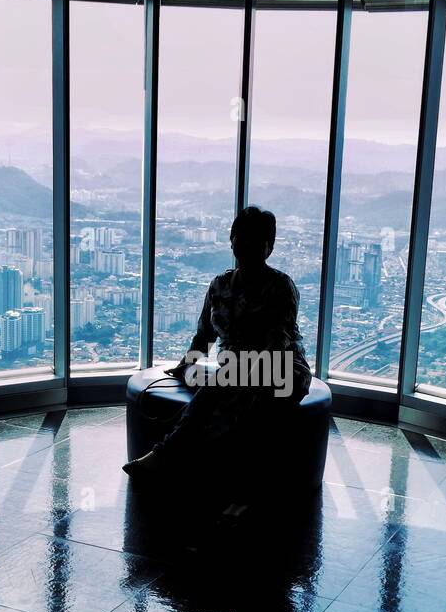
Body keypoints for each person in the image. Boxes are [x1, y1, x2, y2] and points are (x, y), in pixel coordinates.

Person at [122, 206, 312, 522]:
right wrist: (186, 366)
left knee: (225, 391)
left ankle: (168, 457)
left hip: (283, 369)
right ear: (232, 240)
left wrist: (238, 372)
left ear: (269, 247)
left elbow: (277, 344)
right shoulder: (219, 286)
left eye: (256, 240)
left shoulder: (281, 287)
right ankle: (232, 491)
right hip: (235, 373)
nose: (246, 245)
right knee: (224, 387)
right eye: (241, 237)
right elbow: (204, 336)